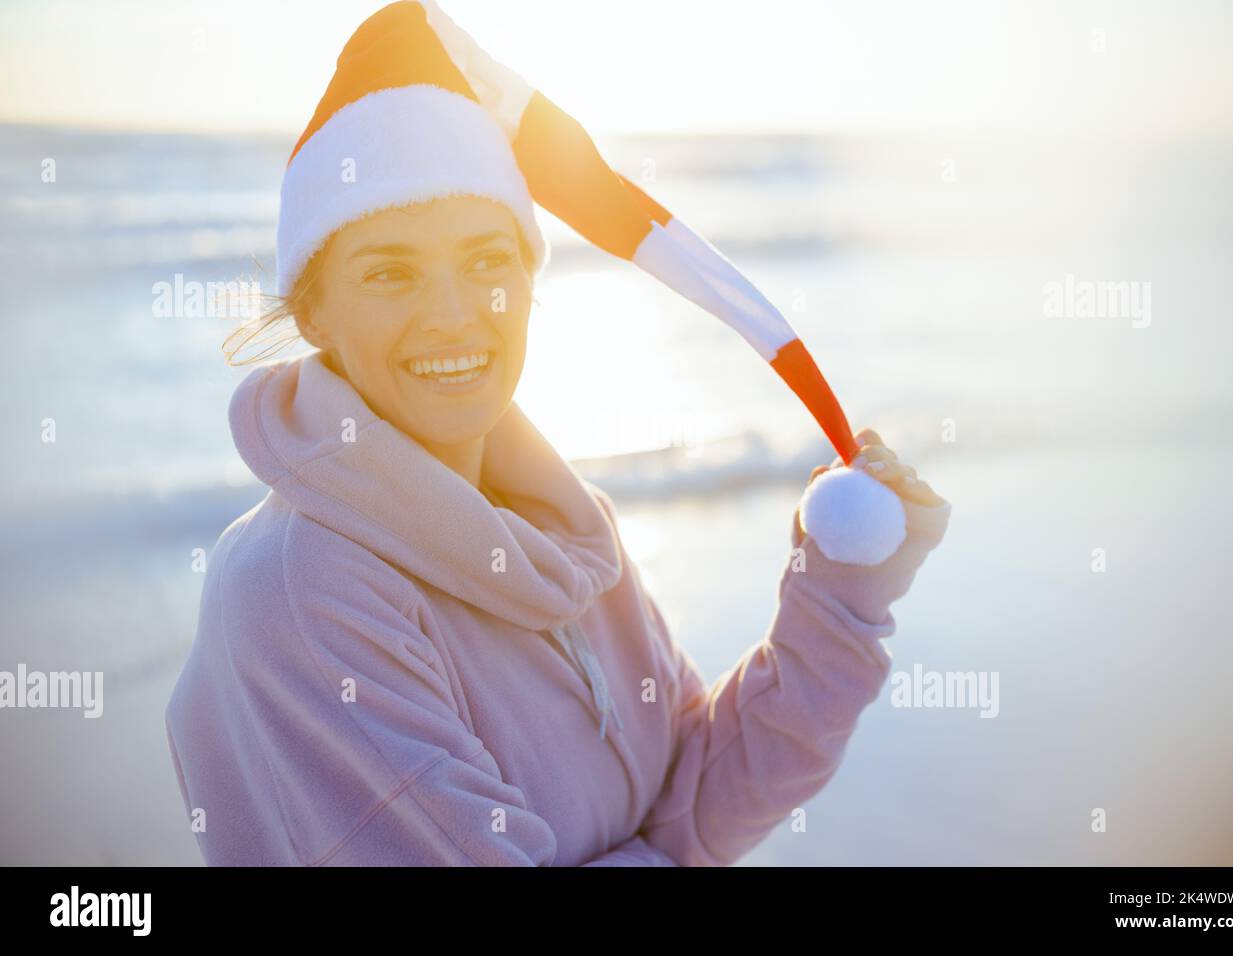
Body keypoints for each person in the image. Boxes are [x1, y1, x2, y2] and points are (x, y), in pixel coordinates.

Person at [164, 1, 950, 867]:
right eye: (390, 271)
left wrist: (837, 596)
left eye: (487, 260)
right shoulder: (302, 593)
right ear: (312, 309)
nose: (455, 316)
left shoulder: (567, 532)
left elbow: (689, 806)